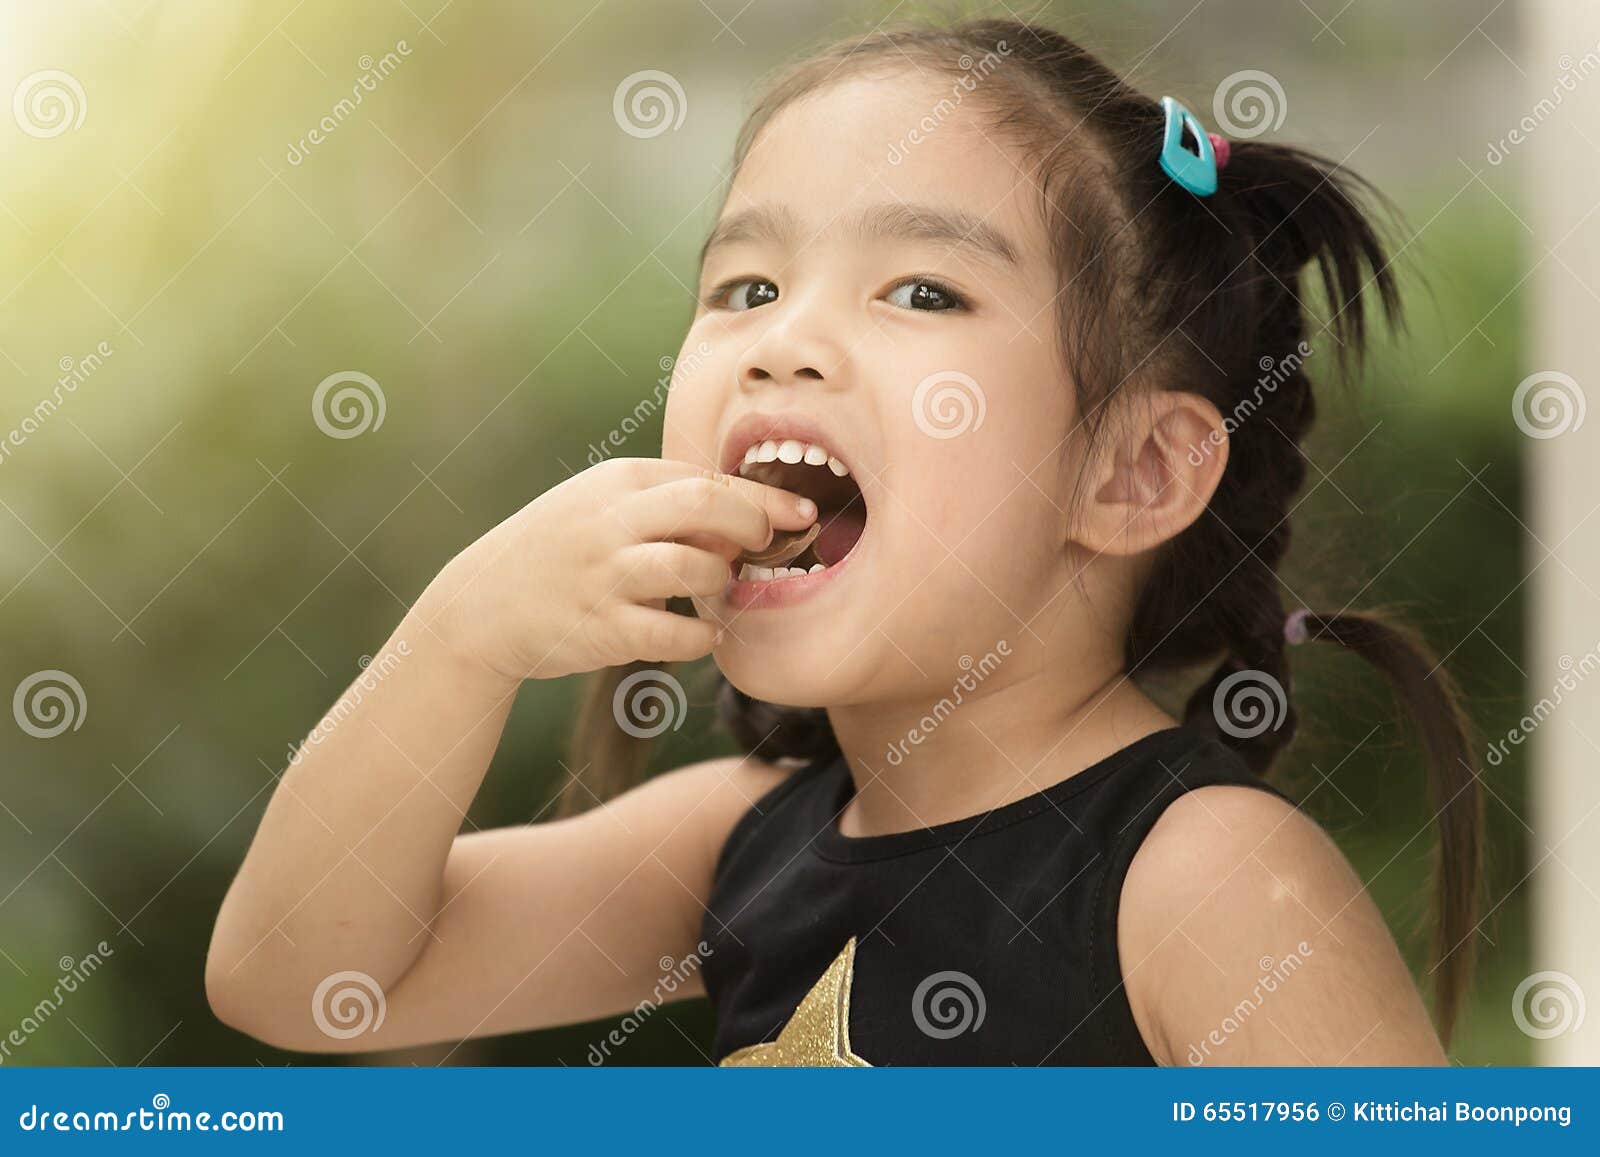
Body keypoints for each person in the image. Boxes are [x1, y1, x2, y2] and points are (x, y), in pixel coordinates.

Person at [207, 17, 1481, 1066]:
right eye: (745, 288)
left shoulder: (1199, 877)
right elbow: (306, 979)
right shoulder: (740, 838)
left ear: (1132, 470)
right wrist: (457, 639)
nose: (781, 338)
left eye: (922, 289)